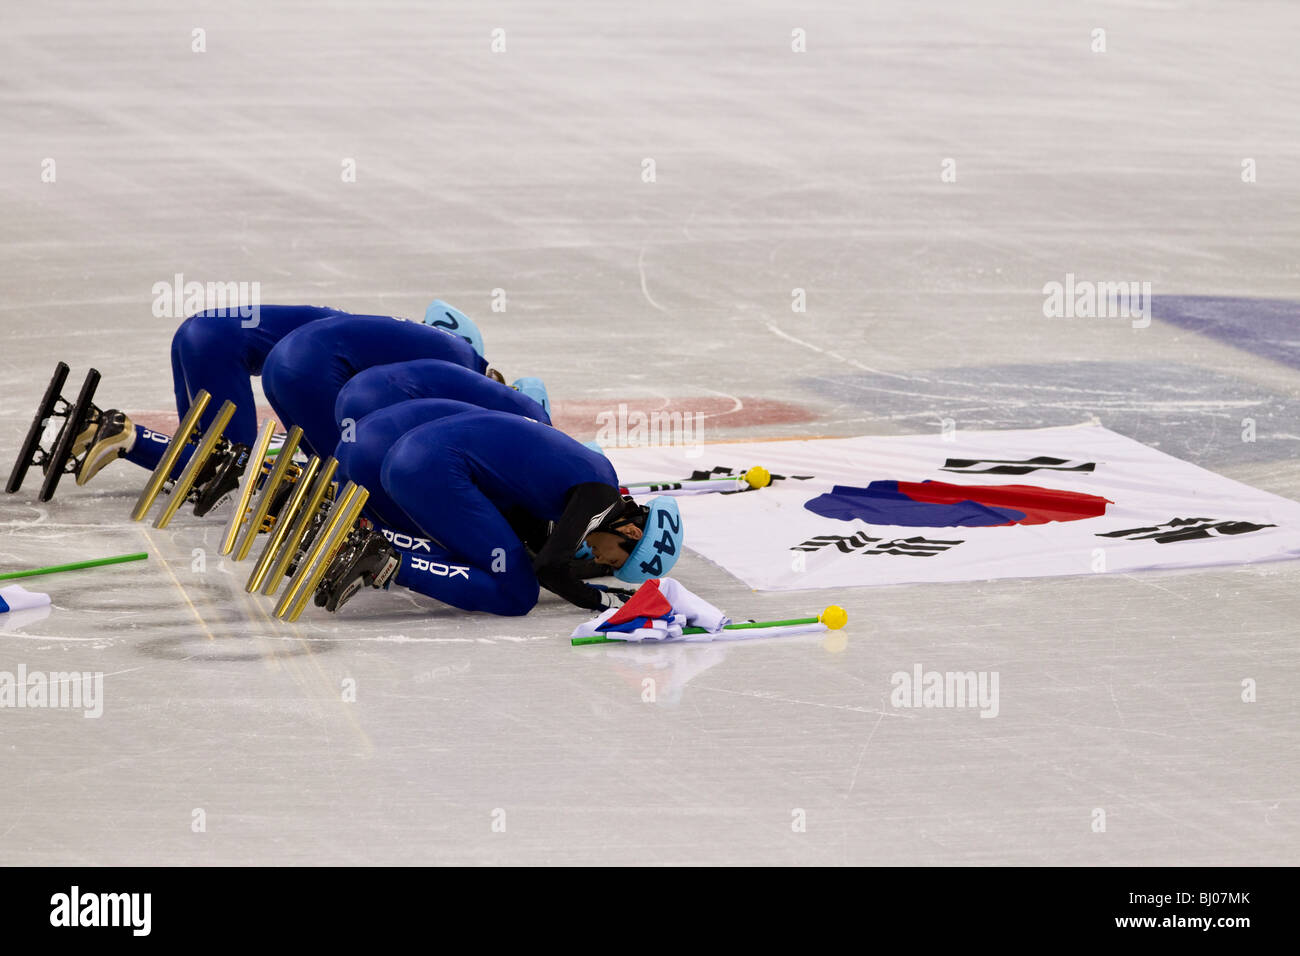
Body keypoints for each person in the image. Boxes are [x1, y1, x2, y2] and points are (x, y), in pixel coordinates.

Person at [312, 404, 685, 617]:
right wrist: (601, 600)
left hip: (411, 458)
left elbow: (537, 548)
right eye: (617, 562)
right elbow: (548, 568)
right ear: (631, 532)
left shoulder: (588, 480)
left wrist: (580, 575)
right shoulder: (599, 498)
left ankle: (365, 548)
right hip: (432, 465)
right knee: (516, 594)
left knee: (488, 560)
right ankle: (385, 561)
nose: (605, 563)